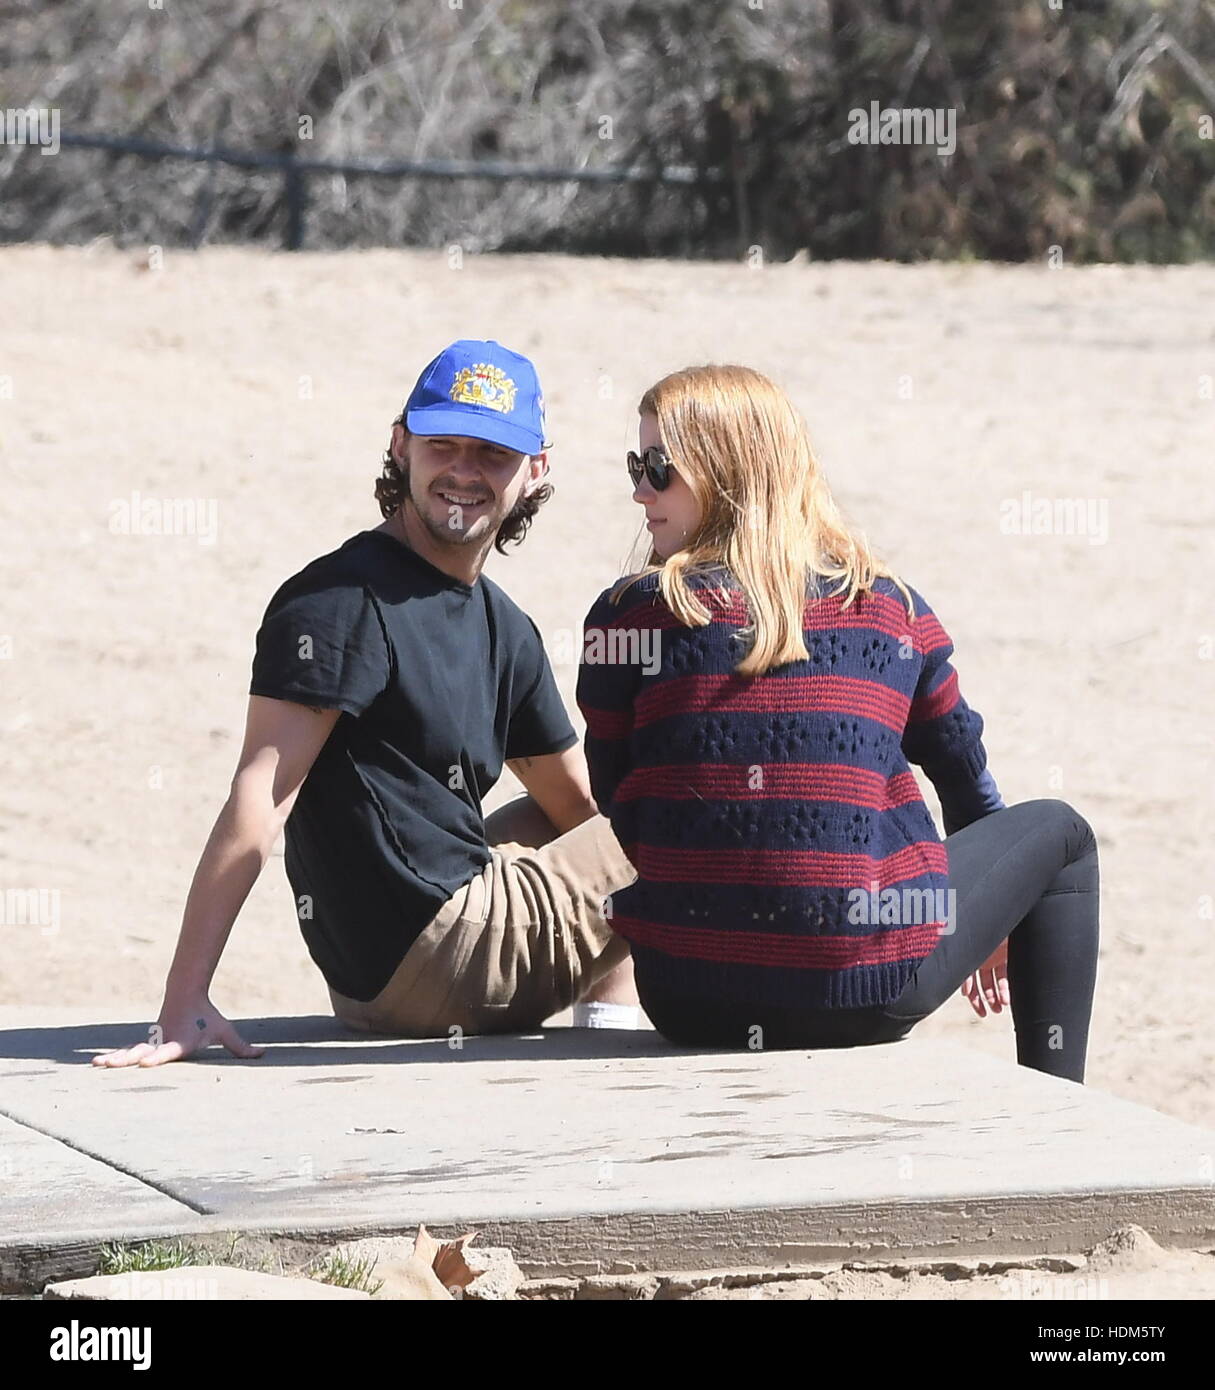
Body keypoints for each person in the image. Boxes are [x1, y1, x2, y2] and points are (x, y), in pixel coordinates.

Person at [95, 339, 639, 1069]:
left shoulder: (502, 626)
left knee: (567, 819)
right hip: (445, 954)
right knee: (668, 822)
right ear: (400, 444)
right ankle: (619, 1048)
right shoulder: (338, 602)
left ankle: (604, 1037)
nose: (463, 472)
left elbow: (572, 807)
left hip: (374, 987)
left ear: (535, 469)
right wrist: (183, 999)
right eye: (442, 444)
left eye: (492, 454)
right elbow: (261, 796)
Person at [575, 364, 1100, 1083]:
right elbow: (967, 788)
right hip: (866, 994)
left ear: (730, 472)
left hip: (682, 995)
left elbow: (616, 796)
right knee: (1061, 835)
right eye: (635, 465)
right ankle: (1058, 1105)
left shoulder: (623, 617)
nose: (638, 489)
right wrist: (998, 912)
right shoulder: (891, 611)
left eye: (659, 469)